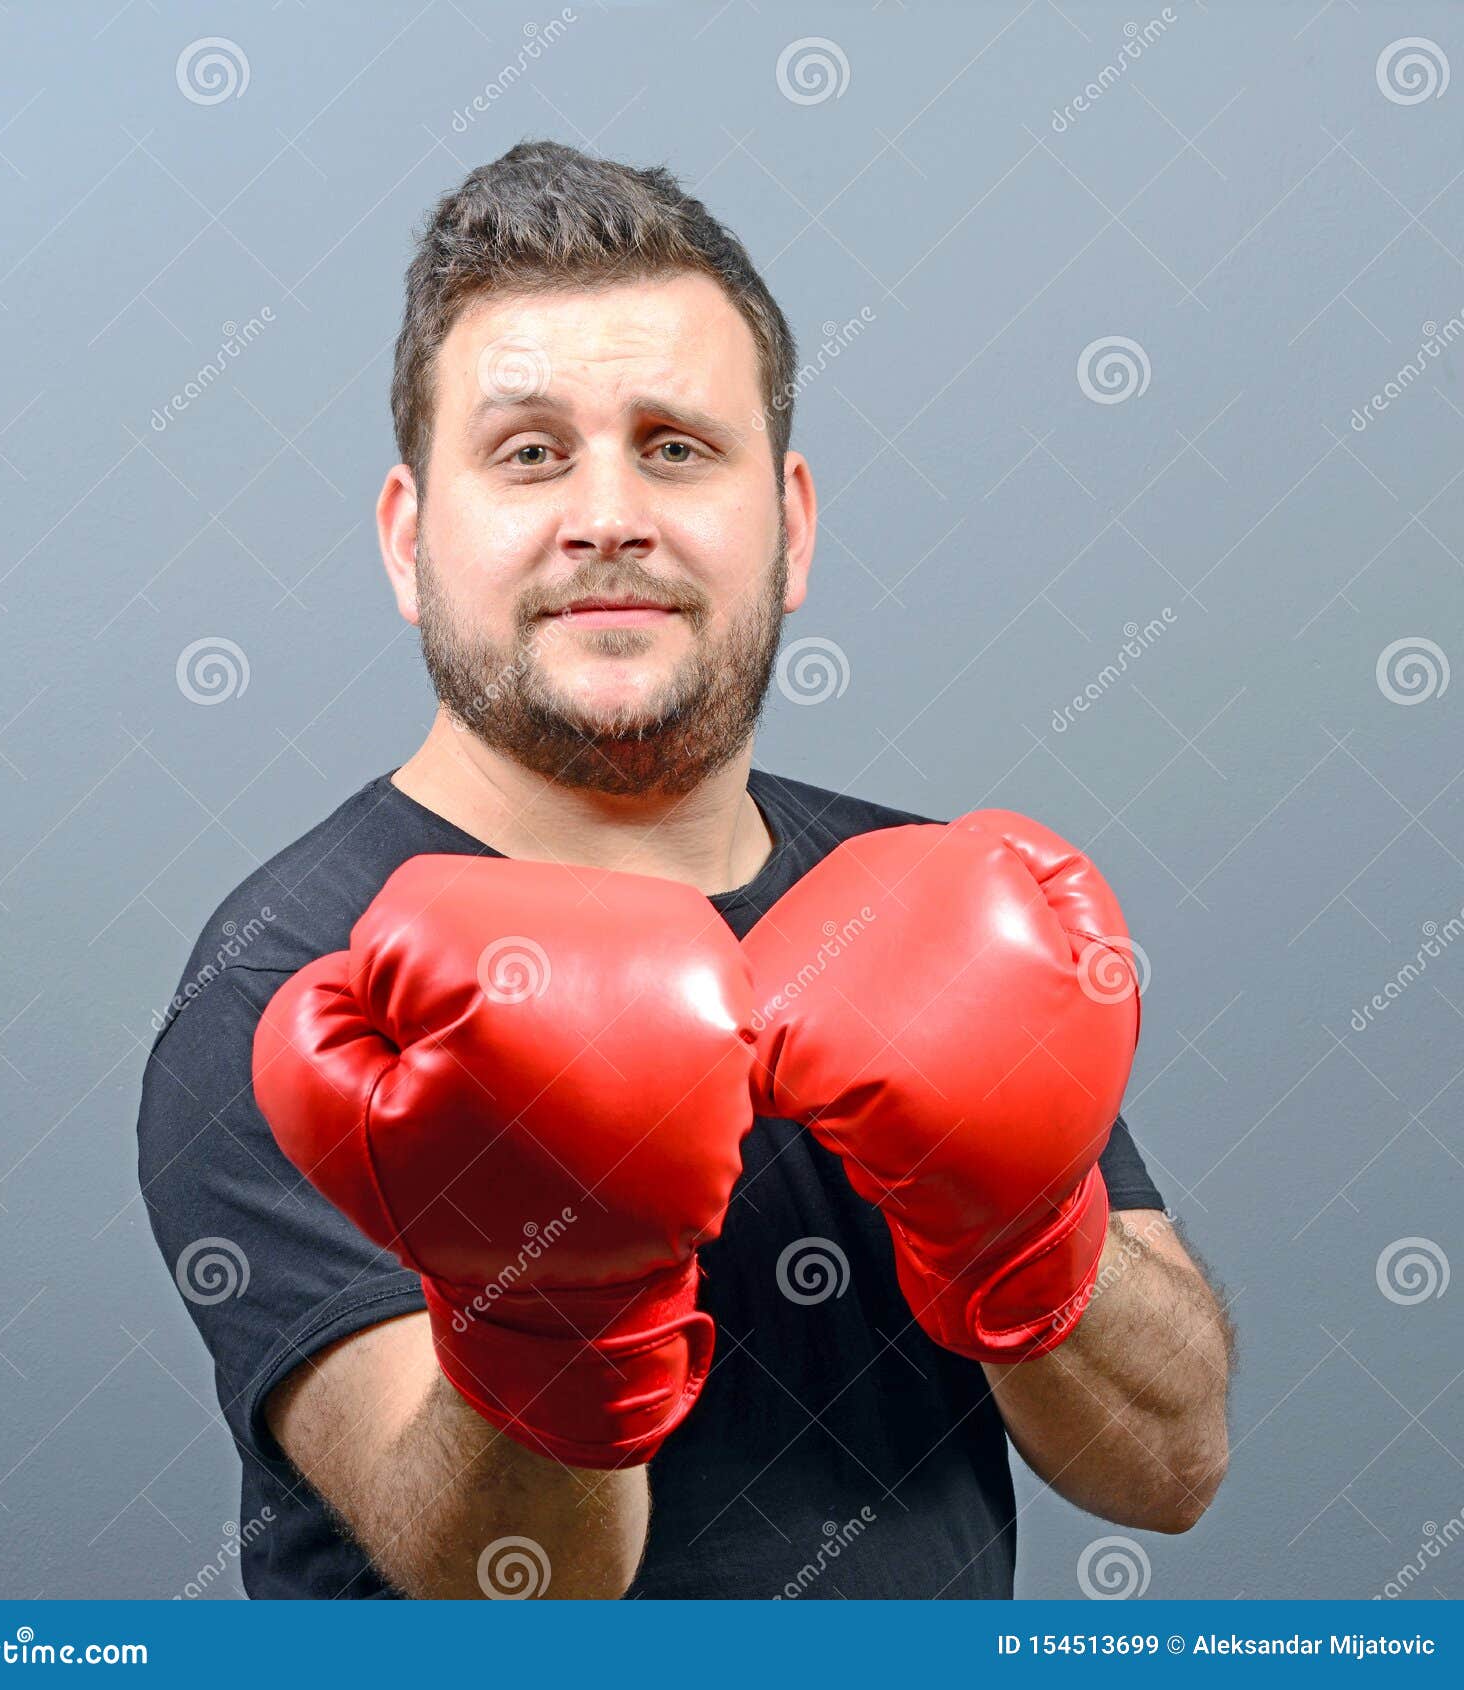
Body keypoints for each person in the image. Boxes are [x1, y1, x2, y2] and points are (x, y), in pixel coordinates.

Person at [136, 140, 1232, 1600]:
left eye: (674, 447)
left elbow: (1170, 1464)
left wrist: (1029, 1233)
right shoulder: (300, 980)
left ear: (792, 527)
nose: (609, 515)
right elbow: (506, 1586)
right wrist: (560, 1305)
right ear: (409, 542)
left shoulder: (931, 902)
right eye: (530, 453)